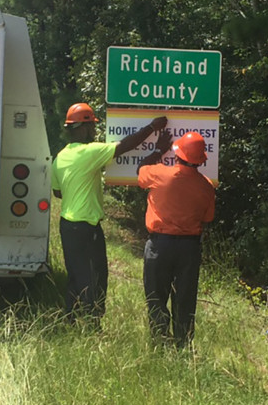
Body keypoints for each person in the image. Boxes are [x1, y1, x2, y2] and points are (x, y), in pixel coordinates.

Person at [51, 102, 168, 325]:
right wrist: (152, 128)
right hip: (86, 227)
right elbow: (125, 145)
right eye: (92, 126)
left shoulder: (60, 157)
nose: (94, 131)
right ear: (83, 128)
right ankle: (92, 326)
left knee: (76, 274)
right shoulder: (90, 152)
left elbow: (58, 192)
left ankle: (70, 320)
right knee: (95, 277)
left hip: (67, 225)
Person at [137, 130, 216, 348]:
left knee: (156, 295)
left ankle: (161, 343)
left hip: (159, 246)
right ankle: (183, 344)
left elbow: (140, 171)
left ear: (178, 154)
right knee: (185, 298)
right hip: (189, 249)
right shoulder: (207, 186)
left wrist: (158, 149)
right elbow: (207, 217)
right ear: (200, 160)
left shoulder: (160, 174)